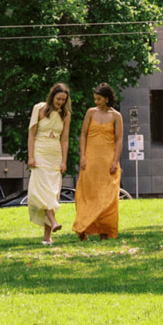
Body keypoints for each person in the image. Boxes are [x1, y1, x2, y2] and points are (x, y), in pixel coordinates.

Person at [73, 83, 123, 240]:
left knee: (107, 196)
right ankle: (82, 228)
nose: (96, 102)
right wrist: (83, 156)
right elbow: (83, 134)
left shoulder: (116, 116)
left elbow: (119, 139)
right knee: (87, 194)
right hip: (90, 160)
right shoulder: (90, 112)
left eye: (99, 99)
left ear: (107, 98)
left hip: (108, 161)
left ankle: (104, 231)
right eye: (95, 99)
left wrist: (115, 160)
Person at [27, 83, 71, 247]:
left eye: (63, 100)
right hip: (40, 152)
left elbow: (64, 139)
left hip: (55, 155)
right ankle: (53, 222)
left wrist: (64, 161)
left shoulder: (65, 114)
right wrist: (31, 156)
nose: (60, 102)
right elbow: (31, 133)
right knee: (42, 190)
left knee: (53, 193)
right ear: (52, 96)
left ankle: (47, 236)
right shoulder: (39, 109)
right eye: (58, 99)